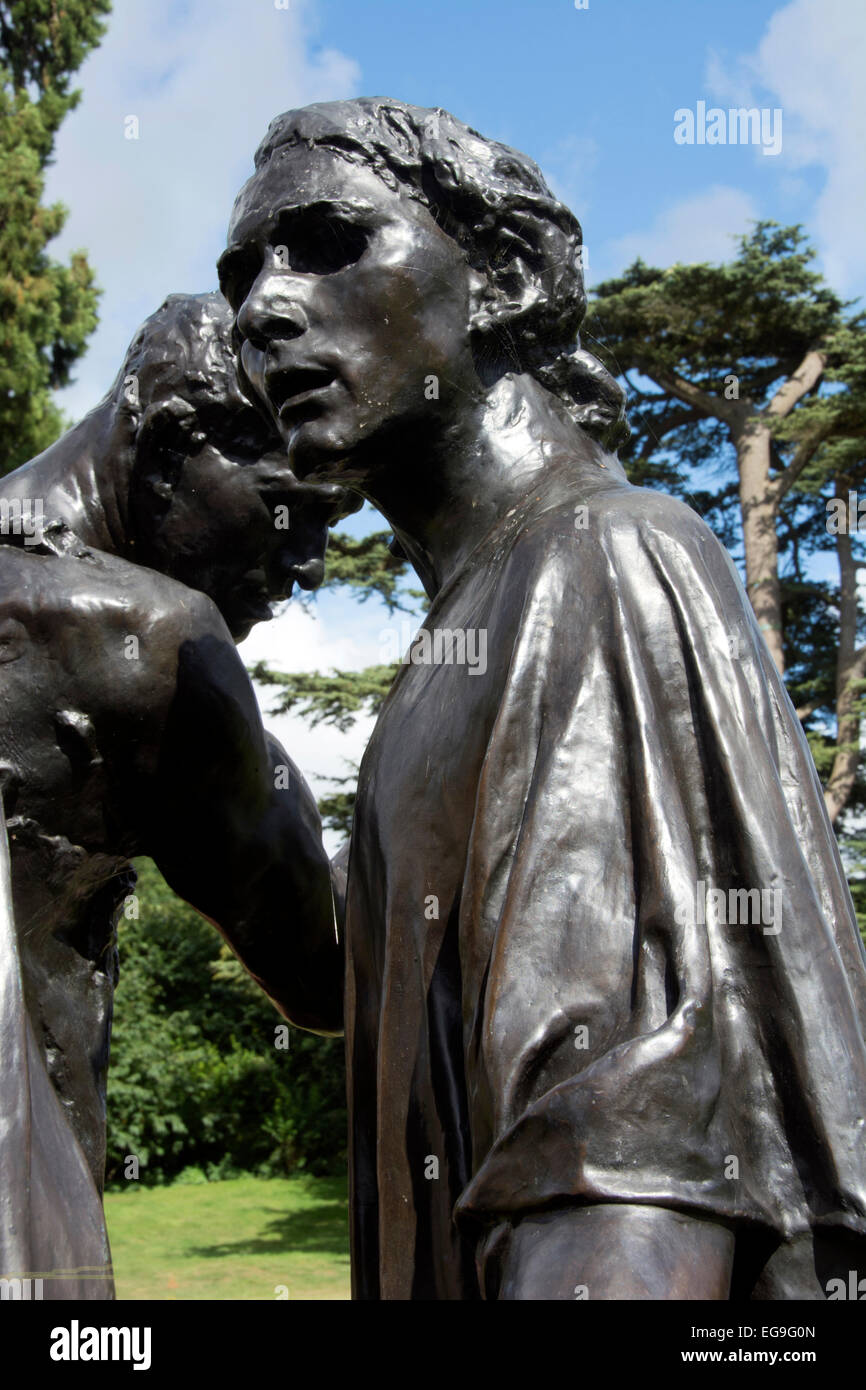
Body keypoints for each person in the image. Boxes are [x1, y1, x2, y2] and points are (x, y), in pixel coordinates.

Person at [218, 97, 866, 1300]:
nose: (262, 307)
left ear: (503, 277)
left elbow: (624, 1153)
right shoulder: (448, 655)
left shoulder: (597, 563)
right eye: (242, 272)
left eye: (329, 242)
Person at [0, 291, 348, 1298]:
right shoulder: (142, 640)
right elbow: (327, 968)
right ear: (171, 441)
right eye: (289, 508)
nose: (305, 565)